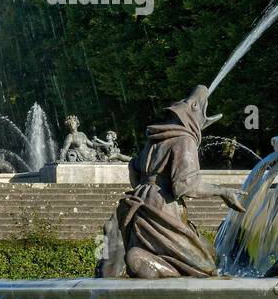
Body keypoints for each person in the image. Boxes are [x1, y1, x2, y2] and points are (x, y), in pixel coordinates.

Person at [96, 85, 245, 278]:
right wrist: (223, 192)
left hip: (141, 206)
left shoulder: (154, 140)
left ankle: (142, 261)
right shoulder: (184, 140)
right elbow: (185, 186)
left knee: (189, 251)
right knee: (203, 266)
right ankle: (148, 263)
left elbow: (134, 171)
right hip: (164, 207)